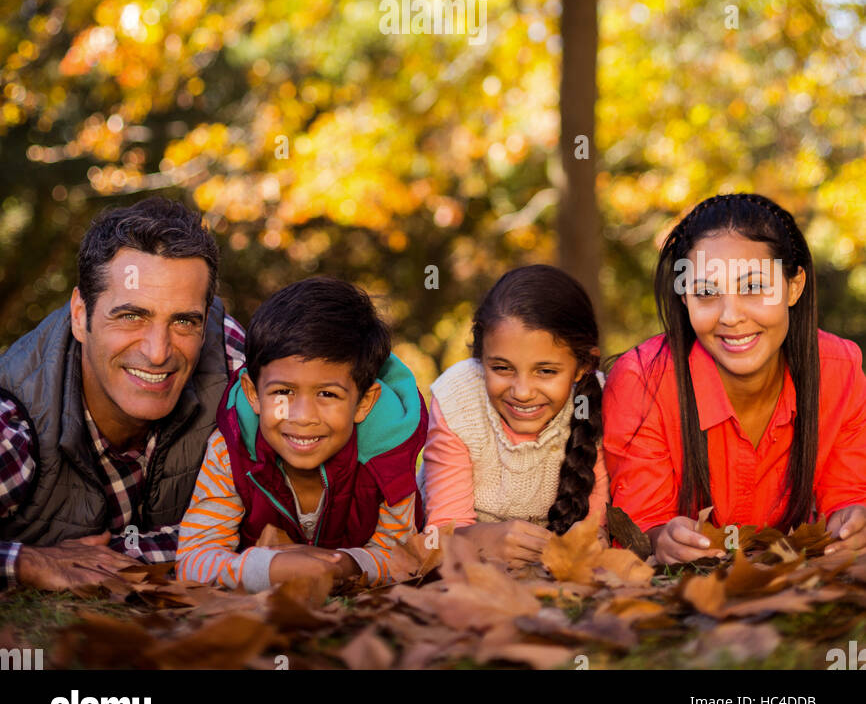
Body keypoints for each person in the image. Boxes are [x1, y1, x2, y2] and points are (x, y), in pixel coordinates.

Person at [603, 192, 866, 563]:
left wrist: (852, 521)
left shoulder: (840, 370)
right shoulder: (642, 382)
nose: (730, 316)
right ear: (685, 298)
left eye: (754, 287)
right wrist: (663, 539)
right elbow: (641, 523)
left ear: (794, 286)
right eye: (707, 292)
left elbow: (847, 494)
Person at [0, 197, 244, 590]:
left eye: (183, 321)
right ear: (81, 316)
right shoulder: (14, 423)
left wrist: (125, 556)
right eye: (132, 316)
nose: (158, 351)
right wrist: (26, 561)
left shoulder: (233, 369)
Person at [176, 277, 428, 592]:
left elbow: (401, 557)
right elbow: (193, 558)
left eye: (327, 394)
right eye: (283, 392)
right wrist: (269, 569)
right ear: (253, 394)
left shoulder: (387, 455)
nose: (303, 416)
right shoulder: (232, 450)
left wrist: (345, 564)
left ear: (364, 402)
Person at [420, 264, 608, 568]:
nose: (522, 392)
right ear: (481, 360)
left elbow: (600, 523)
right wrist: (482, 541)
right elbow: (440, 535)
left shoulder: (598, 399)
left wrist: (593, 537)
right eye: (502, 368)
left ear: (584, 365)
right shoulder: (459, 399)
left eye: (546, 371)